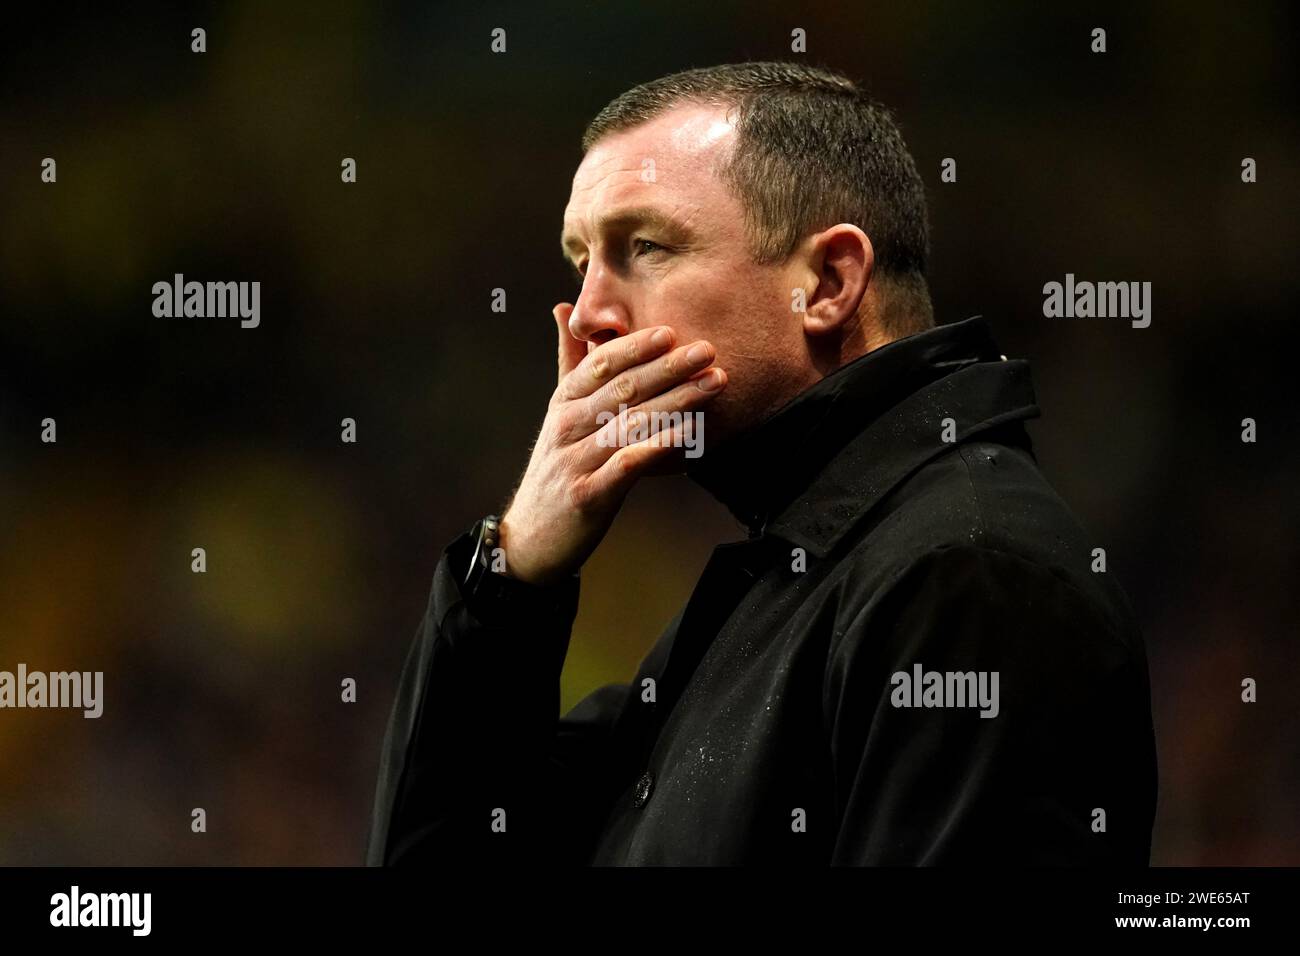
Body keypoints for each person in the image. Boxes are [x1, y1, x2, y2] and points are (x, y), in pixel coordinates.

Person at [365, 61, 1158, 866]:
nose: (592, 312)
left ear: (827, 282)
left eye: (644, 246)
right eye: (582, 263)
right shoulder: (789, 579)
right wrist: (510, 577)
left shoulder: (968, 577)